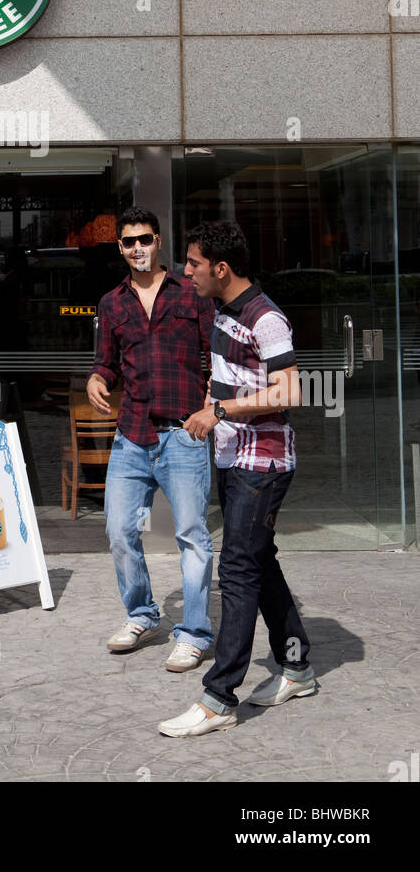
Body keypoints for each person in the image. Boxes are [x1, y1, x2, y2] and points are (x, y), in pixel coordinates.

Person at [158, 220, 316, 738]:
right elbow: (229, 377)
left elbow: (288, 392)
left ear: (221, 268)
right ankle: (297, 666)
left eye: (195, 264)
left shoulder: (266, 318)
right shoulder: (223, 310)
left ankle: (219, 696)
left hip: (262, 464)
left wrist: (221, 410)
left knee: (239, 571)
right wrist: (209, 407)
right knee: (259, 561)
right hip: (233, 460)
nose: (187, 271)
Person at [87, 206, 216, 672]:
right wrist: (96, 379)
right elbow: (107, 361)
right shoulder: (112, 303)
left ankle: (195, 633)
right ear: (120, 249)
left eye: (144, 239)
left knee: (192, 536)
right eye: (128, 242)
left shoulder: (192, 293)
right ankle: (142, 615)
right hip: (132, 436)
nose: (137, 248)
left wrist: (209, 408)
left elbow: (214, 357)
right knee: (119, 531)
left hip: (182, 433)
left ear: (158, 241)